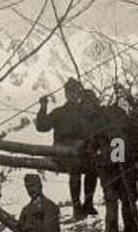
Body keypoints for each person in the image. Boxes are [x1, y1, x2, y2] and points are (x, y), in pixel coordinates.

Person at [35, 78, 98, 220]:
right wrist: (43, 107)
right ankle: (77, 206)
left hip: (80, 153)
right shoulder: (59, 112)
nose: (73, 95)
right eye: (70, 92)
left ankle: (88, 203)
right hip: (62, 153)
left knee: (93, 167)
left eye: (75, 92)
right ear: (66, 94)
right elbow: (42, 126)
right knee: (75, 167)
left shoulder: (85, 113)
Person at [92, 95, 138, 232]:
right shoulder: (127, 121)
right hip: (121, 165)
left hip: (112, 166)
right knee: (125, 199)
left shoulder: (102, 121)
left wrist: (100, 156)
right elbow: (131, 143)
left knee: (113, 200)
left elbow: (94, 143)